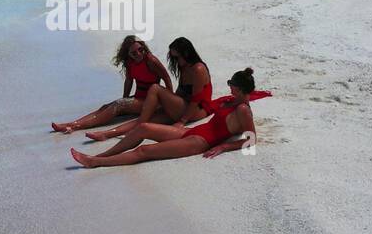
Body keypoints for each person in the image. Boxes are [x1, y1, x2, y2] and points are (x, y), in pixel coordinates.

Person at [70, 68, 269, 168]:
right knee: (144, 127)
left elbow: (251, 140)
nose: (229, 86)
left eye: (231, 83)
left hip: (199, 142)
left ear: (239, 88)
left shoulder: (243, 109)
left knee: (144, 150)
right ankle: (103, 155)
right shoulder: (231, 101)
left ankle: (95, 162)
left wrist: (225, 146)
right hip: (191, 132)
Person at [85, 36, 212, 141]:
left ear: (186, 53)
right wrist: (170, 102)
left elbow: (196, 100)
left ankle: (139, 126)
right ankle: (107, 134)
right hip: (183, 107)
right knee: (146, 119)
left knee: (155, 88)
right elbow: (181, 92)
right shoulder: (185, 67)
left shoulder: (198, 69)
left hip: (196, 111)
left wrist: (182, 121)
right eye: (173, 57)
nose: (175, 60)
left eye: (177, 57)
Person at [51, 36, 172, 134]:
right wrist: (125, 97)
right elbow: (129, 81)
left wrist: (169, 100)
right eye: (134, 53)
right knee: (106, 107)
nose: (139, 54)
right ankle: (71, 123)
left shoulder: (151, 60)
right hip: (139, 97)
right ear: (128, 54)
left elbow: (166, 78)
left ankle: (76, 127)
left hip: (150, 101)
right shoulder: (130, 63)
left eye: (141, 50)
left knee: (119, 105)